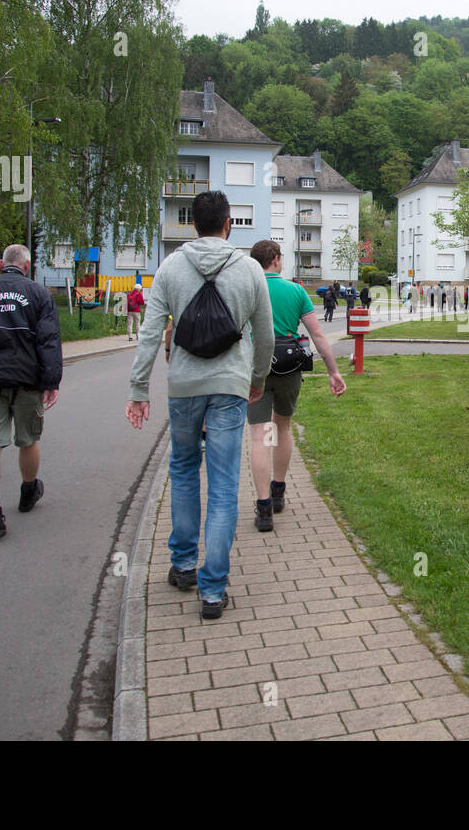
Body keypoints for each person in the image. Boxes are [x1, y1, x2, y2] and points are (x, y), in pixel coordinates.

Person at [125, 191, 273, 620]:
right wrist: (257, 378)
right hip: (230, 386)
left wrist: (138, 389)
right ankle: (213, 591)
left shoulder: (170, 267)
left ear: (194, 225)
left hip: (184, 386)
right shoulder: (249, 270)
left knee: (184, 470)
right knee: (225, 485)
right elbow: (263, 335)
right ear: (229, 224)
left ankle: (184, 564)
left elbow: (150, 333)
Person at [0, 245, 62, 543]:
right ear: (28, 266)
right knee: (28, 439)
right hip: (27, 378)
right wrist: (52, 381)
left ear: (0, 263)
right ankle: (28, 489)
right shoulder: (39, 294)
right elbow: (48, 340)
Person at [247, 241, 345, 533]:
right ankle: (279, 490)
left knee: (260, 435)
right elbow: (317, 334)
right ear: (276, 260)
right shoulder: (296, 291)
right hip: (289, 367)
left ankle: (263, 507)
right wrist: (333, 372)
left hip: (256, 370)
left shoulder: (248, 288)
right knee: (283, 427)